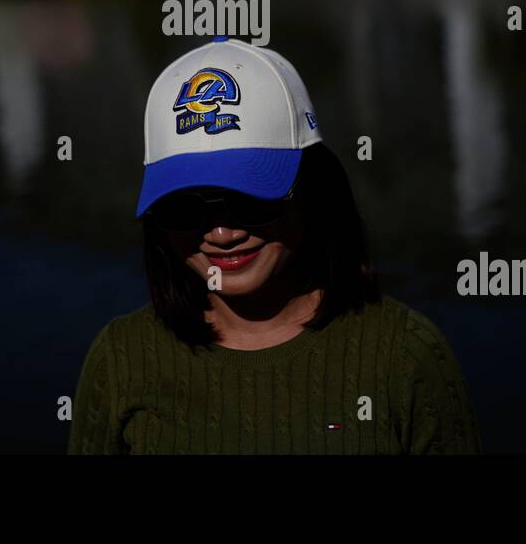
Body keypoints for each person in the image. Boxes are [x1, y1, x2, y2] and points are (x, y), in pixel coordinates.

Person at [67, 37, 482, 454]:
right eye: (183, 209)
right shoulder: (120, 359)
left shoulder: (408, 355)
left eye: (250, 200)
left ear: (314, 191)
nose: (223, 235)